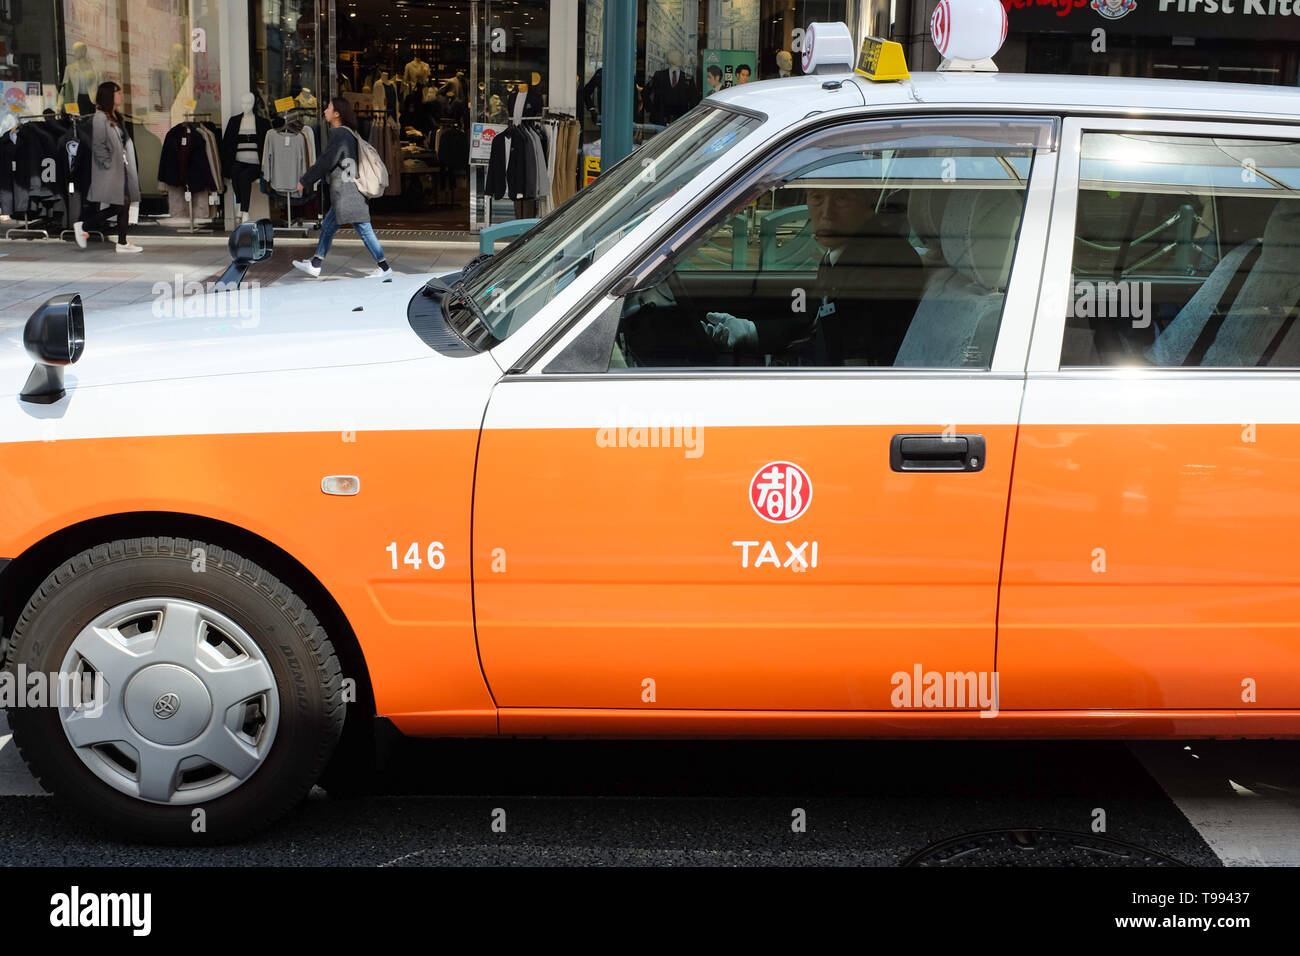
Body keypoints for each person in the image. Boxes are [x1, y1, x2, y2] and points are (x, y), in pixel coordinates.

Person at [700, 187, 925, 366]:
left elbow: (854, 360)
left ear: (869, 200)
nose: (827, 212)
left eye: (842, 198)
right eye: (817, 197)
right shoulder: (844, 251)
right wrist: (750, 330)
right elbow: (819, 325)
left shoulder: (884, 262)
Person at [291, 97, 392, 279]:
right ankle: (316, 263)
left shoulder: (340, 134)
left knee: (364, 229)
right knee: (329, 227)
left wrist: (305, 180)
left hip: (348, 192)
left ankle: (384, 268)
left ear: (337, 114)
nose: (325, 111)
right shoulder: (347, 133)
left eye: (328, 108)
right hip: (346, 191)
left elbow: (326, 161)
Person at [73, 81, 143, 253]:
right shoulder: (100, 118)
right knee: (121, 203)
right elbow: (98, 145)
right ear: (108, 96)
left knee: (124, 203)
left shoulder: (115, 117)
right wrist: (108, 163)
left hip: (122, 168)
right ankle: (84, 227)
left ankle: (122, 242)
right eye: (117, 93)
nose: (120, 96)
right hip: (112, 170)